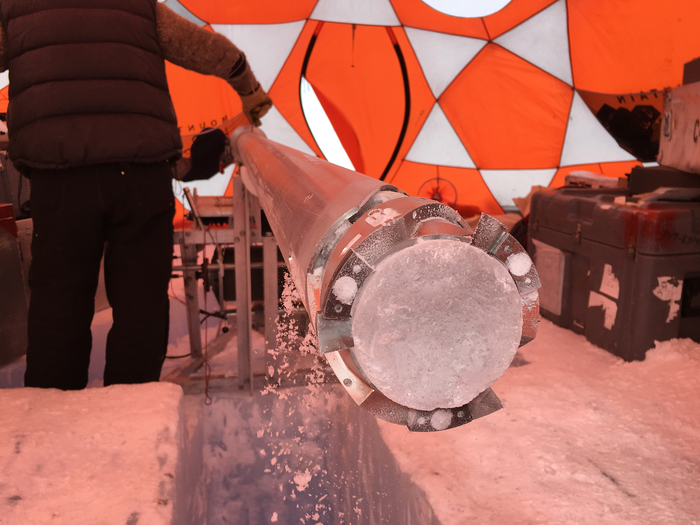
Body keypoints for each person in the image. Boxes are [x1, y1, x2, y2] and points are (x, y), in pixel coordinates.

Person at [0, 0, 272, 390]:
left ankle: (53, 416)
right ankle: (133, 409)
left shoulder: (17, 6)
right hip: (140, 173)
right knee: (141, 298)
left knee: (59, 299)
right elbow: (203, 48)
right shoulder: (136, 4)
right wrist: (249, 88)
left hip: (60, 176)